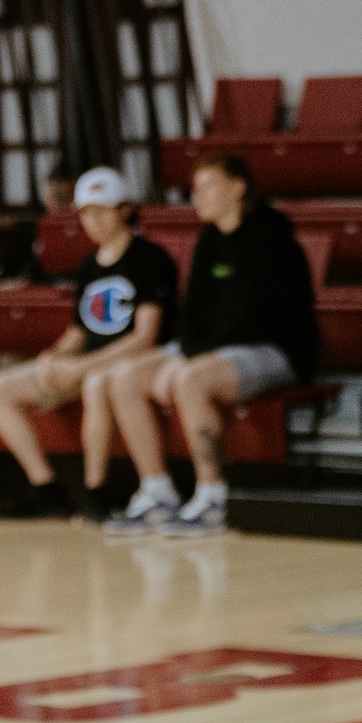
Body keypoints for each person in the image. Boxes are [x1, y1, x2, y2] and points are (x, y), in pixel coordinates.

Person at [102, 154, 319, 537]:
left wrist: (191, 361)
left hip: (274, 349)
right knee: (124, 377)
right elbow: (191, 310)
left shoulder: (272, 240)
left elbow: (253, 319)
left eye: (208, 186)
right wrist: (187, 351)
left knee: (191, 381)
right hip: (215, 346)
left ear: (238, 187)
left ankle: (213, 495)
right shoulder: (208, 240)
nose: (197, 196)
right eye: (194, 188)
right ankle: (158, 491)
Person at [0, 167, 178, 520]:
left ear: (125, 210)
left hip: (126, 362)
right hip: (84, 361)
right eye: (86, 212)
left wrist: (82, 366)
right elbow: (80, 330)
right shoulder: (89, 266)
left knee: (96, 383)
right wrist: (53, 357)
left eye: (102, 210)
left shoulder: (150, 259)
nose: (94, 221)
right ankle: (46, 488)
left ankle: (94, 491)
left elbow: (145, 336)